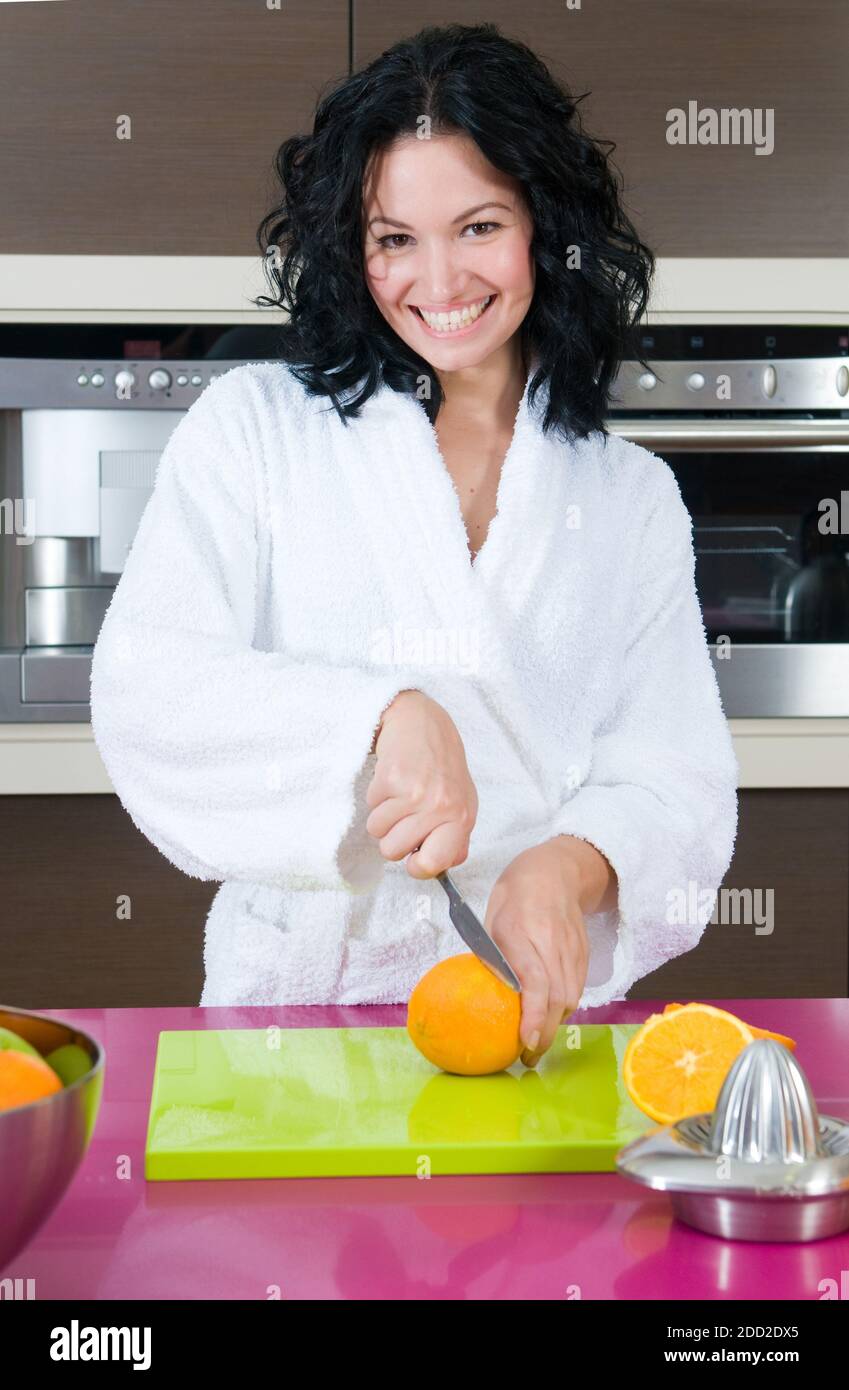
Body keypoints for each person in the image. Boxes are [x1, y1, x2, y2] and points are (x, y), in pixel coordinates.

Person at [89, 22, 738, 1067]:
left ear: (546, 227)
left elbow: (677, 780)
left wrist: (568, 868)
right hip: (294, 1025)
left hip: (529, 1010)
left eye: (478, 226)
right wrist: (381, 716)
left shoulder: (630, 497)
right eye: (394, 238)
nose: (437, 280)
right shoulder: (252, 431)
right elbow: (147, 688)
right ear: (354, 249)